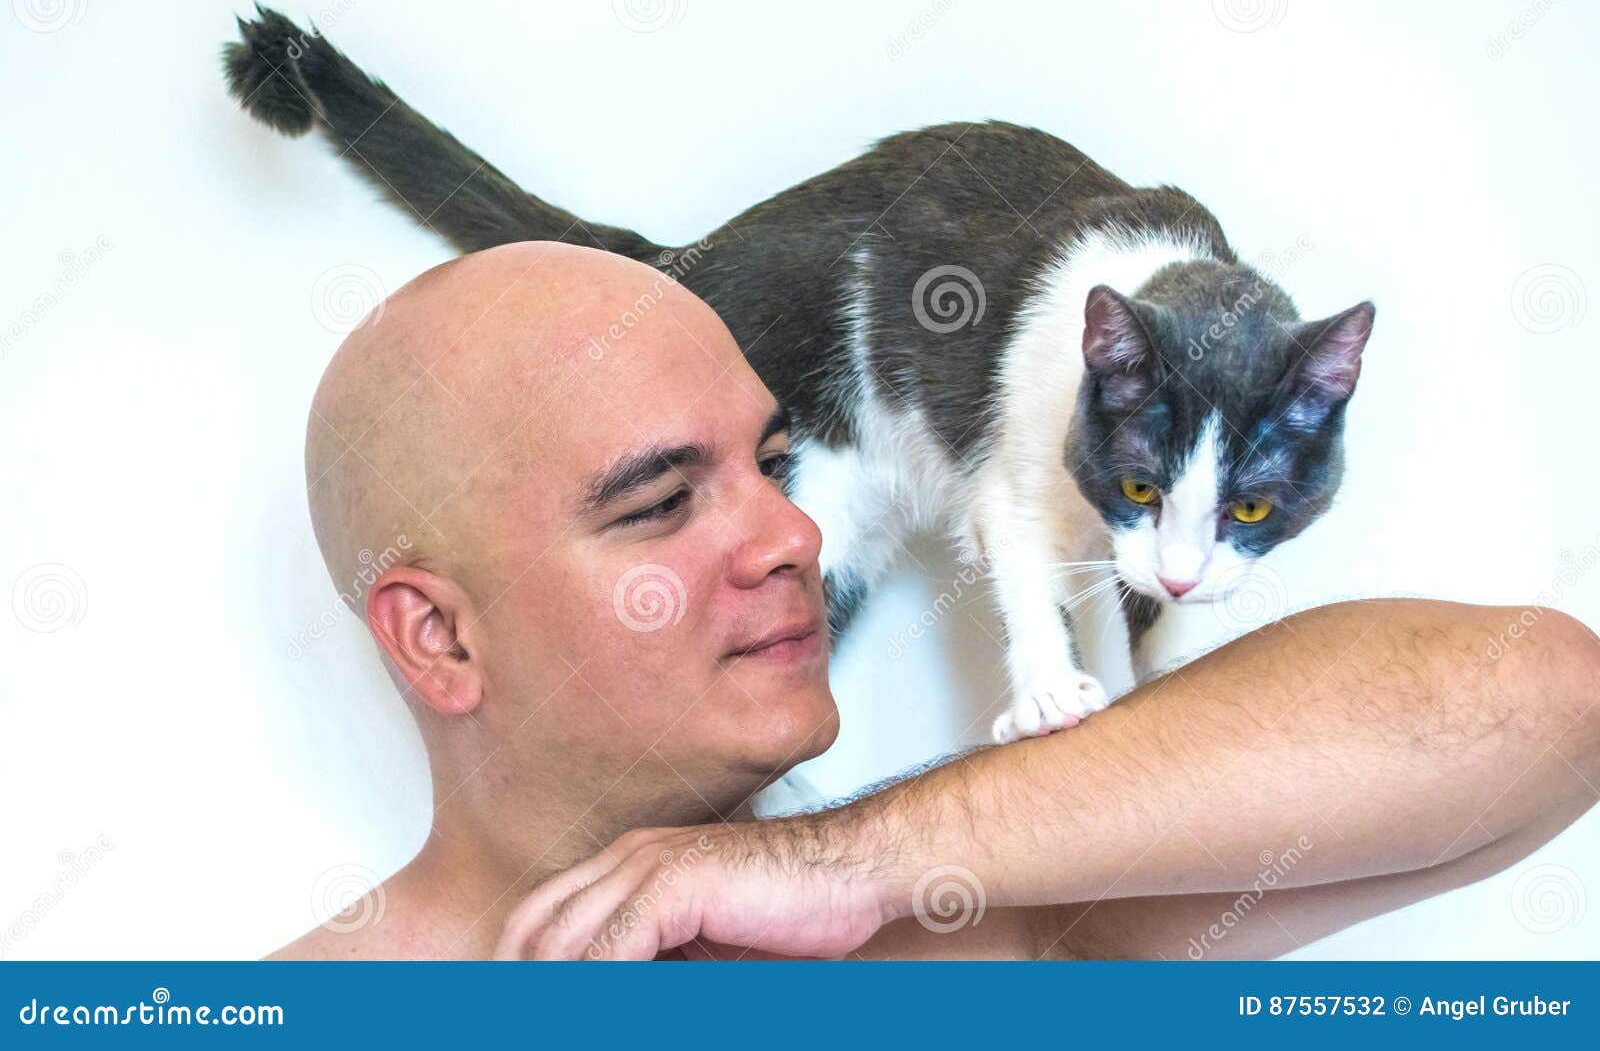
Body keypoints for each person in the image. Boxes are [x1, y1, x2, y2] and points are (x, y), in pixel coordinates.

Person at [274, 240, 1600, 960]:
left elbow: (1545, 699)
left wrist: (841, 860)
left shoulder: (974, 936)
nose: (794, 533)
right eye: (662, 501)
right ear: (439, 636)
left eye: (777, 464)